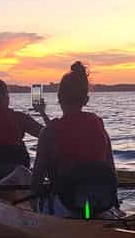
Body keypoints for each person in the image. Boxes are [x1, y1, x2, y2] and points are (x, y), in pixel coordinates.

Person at [30, 62, 118, 217]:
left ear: (59, 98)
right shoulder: (99, 126)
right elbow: (112, 173)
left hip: (66, 207)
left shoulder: (49, 132)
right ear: (86, 99)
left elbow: (36, 181)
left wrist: (33, 202)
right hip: (98, 206)